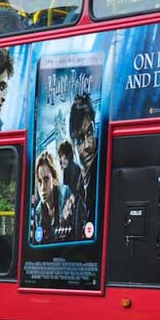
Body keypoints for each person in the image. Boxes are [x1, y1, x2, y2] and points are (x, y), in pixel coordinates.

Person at [64, 93, 98, 234]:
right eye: (80, 140)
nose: (88, 145)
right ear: (73, 146)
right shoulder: (76, 187)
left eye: (90, 133)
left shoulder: (100, 175)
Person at [29, 150, 69, 244]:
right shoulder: (38, 212)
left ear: (54, 180)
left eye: (46, 180)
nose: (42, 188)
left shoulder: (65, 194)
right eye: (39, 181)